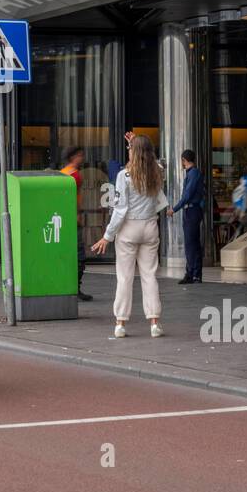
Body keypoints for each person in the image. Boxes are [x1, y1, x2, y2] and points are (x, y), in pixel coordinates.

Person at [91, 134, 164, 339]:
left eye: (130, 148)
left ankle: (120, 323)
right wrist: (138, 142)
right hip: (150, 227)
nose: (128, 151)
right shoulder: (158, 172)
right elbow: (155, 160)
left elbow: (120, 209)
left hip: (129, 228)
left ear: (135, 152)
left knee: (124, 277)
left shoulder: (125, 176)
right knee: (149, 276)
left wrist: (107, 236)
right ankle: (154, 323)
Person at [59, 147, 92, 301]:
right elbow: (72, 198)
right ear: (73, 157)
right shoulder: (73, 175)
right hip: (73, 218)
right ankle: (75, 288)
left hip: (65, 218)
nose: (82, 158)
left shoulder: (62, 172)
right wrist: (77, 214)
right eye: (80, 155)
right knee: (79, 254)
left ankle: (69, 286)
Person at [169, 149, 205, 285]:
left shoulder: (194, 173)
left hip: (192, 211)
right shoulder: (192, 173)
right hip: (191, 211)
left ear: (184, 160)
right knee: (193, 243)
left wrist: (174, 209)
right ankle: (194, 274)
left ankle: (192, 274)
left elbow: (187, 195)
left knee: (191, 244)